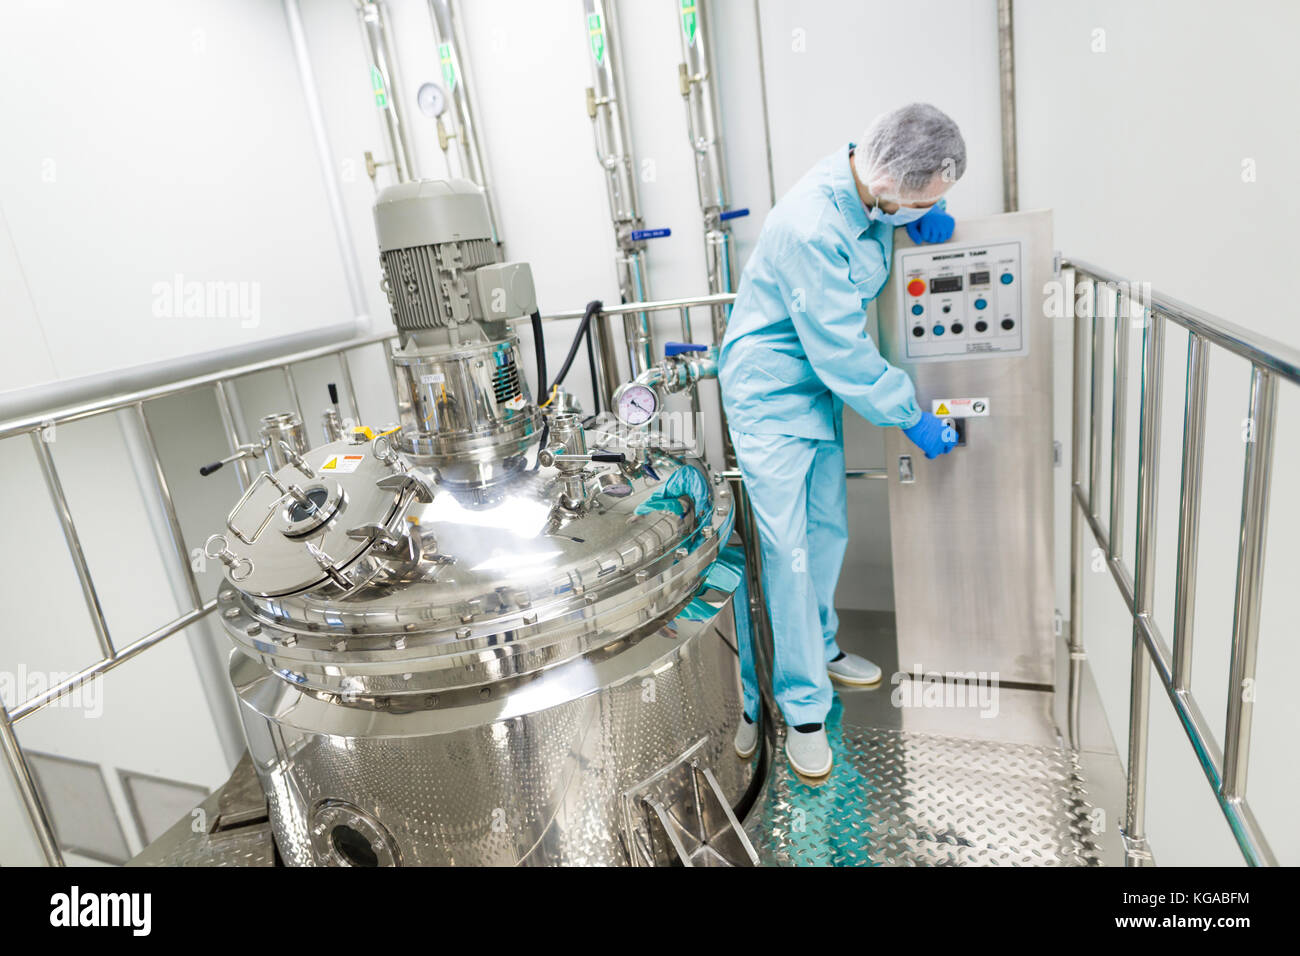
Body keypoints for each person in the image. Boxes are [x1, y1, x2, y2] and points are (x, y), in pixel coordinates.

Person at [721, 103, 964, 778]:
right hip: (770, 394)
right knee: (790, 551)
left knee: (828, 528)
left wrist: (912, 227)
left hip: (815, 390)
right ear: (892, 186)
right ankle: (801, 708)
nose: (926, 210)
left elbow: (838, 345)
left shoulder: (870, 197)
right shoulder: (810, 224)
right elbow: (843, 354)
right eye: (923, 202)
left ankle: (820, 649)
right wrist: (907, 413)